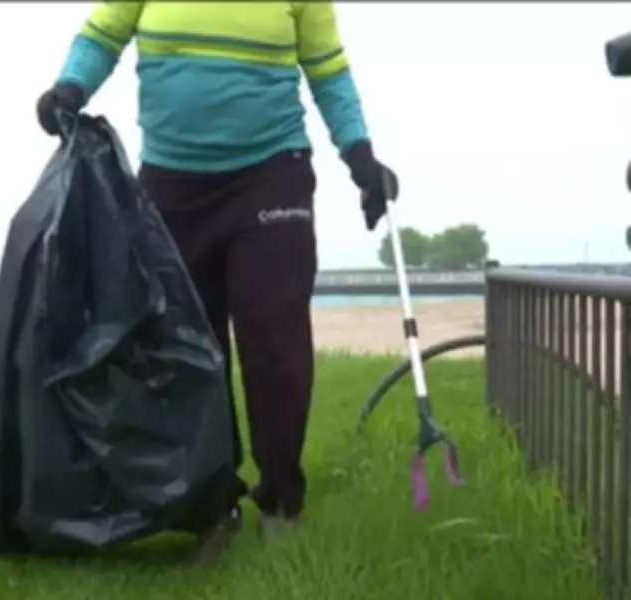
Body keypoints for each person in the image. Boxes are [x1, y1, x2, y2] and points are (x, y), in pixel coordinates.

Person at [36, 1, 398, 561]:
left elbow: (328, 70)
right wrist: (70, 88)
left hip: (271, 174)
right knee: (188, 353)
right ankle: (211, 504)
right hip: (173, 187)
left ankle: (281, 500)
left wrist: (360, 156)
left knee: (274, 343)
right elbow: (102, 34)